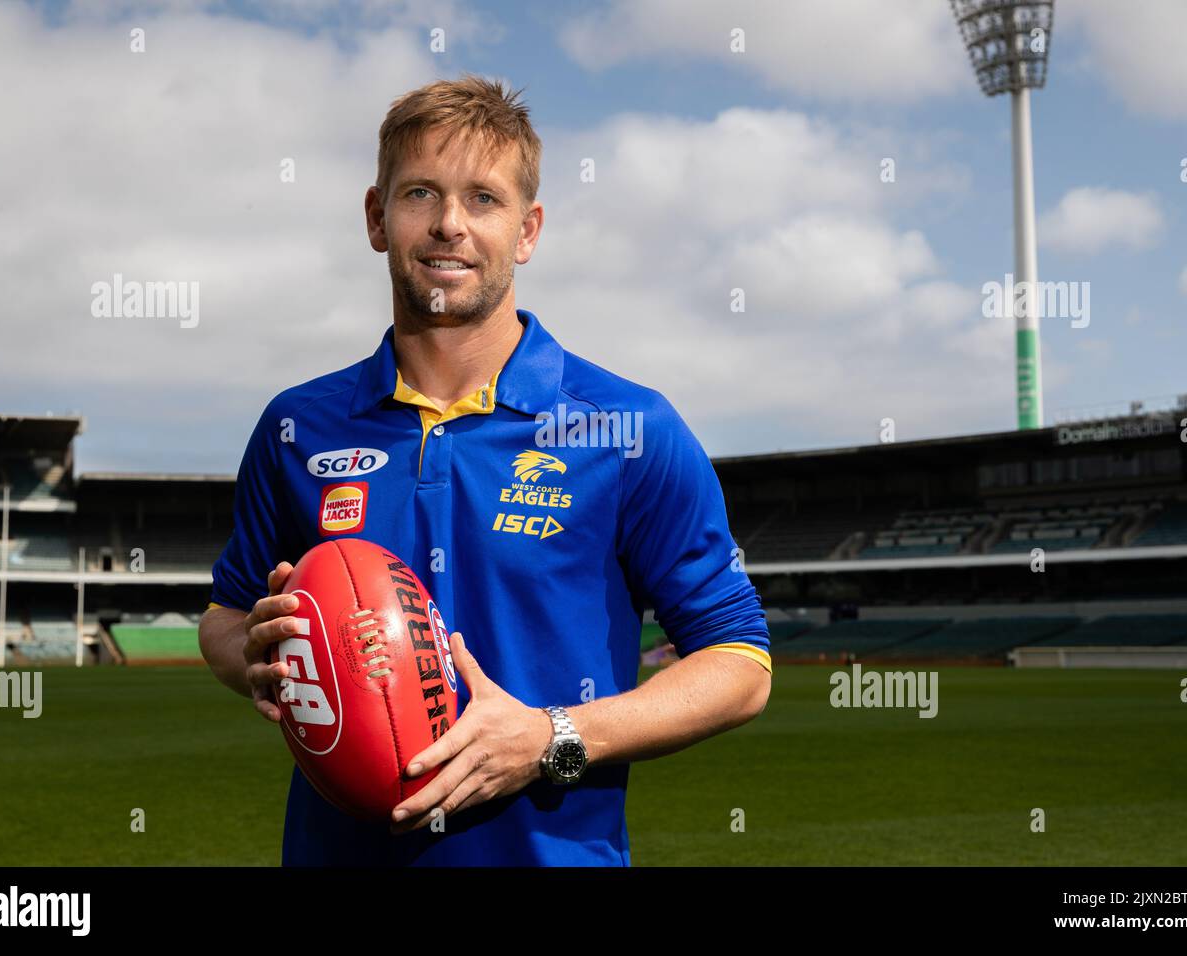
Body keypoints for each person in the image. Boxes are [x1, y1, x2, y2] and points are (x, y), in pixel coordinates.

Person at [199, 74, 772, 866]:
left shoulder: (630, 427)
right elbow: (225, 616)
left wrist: (552, 740)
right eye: (420, 194)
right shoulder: (297, 426)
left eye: (484, 200)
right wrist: (256, 656)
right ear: (376, 217)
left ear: (528, 230)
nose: (448, 226)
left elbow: (739, 663)